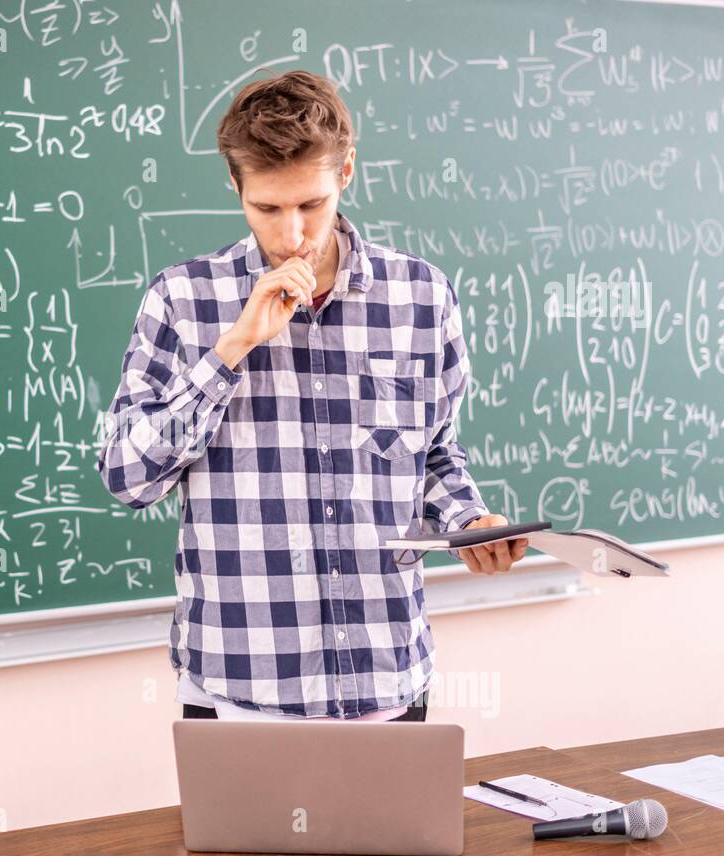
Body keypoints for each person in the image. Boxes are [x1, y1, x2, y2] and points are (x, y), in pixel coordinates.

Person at [97, 70, 527, 723]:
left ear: (346, 171)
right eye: (267, 208)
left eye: (312, 204)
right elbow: (126, 477)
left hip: (388, 677)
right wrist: (231, 348)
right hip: (238, 685)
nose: (292, 234)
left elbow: (433, 452)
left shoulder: (421, 295)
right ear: (234, 184)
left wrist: (468, 523)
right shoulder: (183, 299)